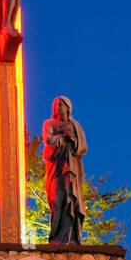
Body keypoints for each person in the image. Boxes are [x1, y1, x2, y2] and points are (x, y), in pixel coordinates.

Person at [42, 96, 87, 243]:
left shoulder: (75, 125)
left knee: (71, 201)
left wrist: (72, 139)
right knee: (57, 200)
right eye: (56, 105)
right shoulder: (49, 124)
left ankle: (72, 237)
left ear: (68, 107)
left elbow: (82, 147)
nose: (58, 107)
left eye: (60, 104)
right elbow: (48, 140)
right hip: (56, 168)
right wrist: (63, 137)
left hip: (71, 168)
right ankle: (57, 237)